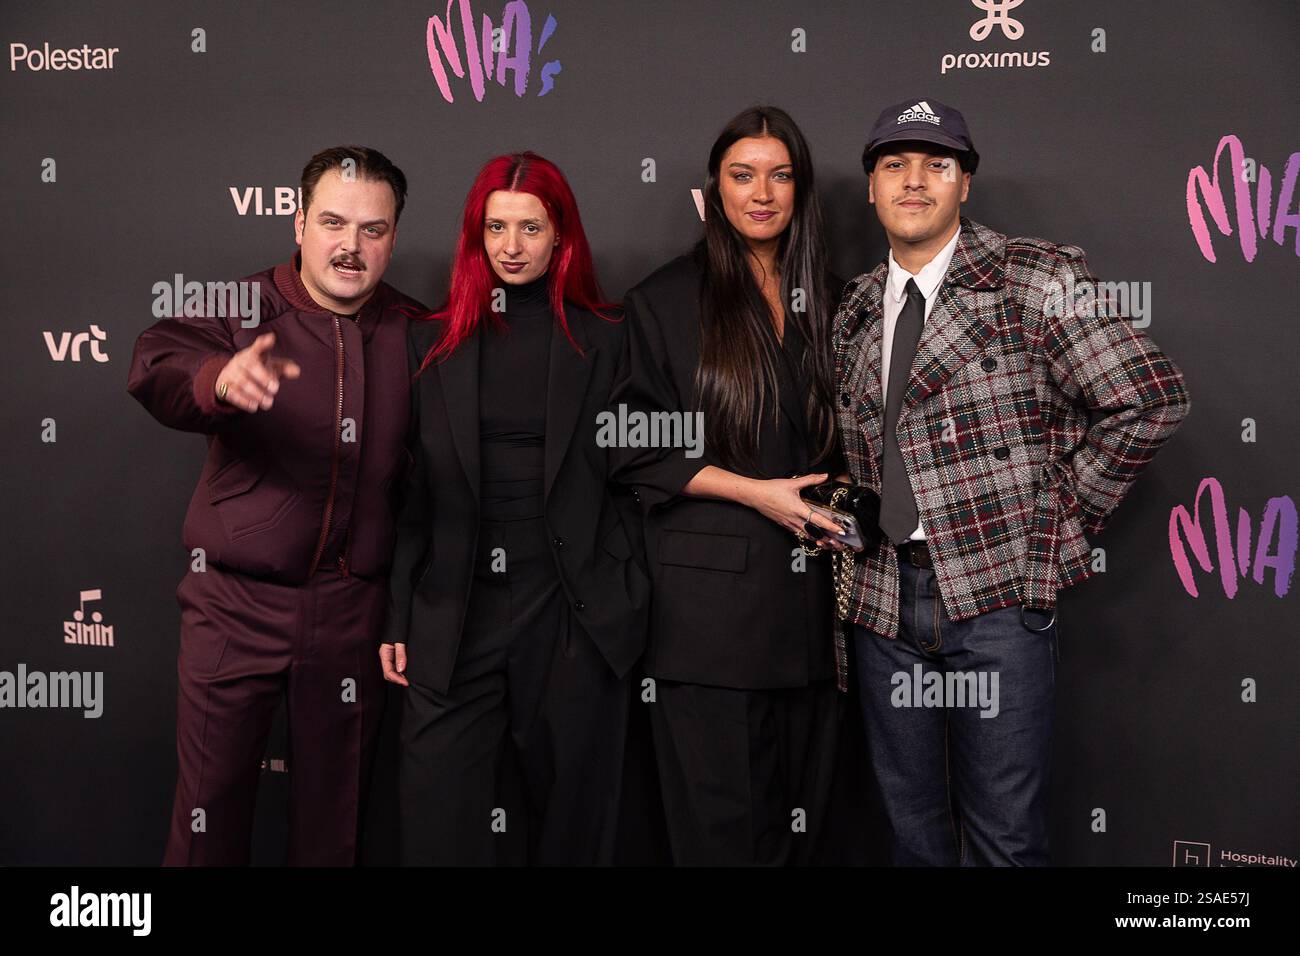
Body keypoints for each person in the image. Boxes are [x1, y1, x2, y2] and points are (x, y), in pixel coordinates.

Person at [837, 97, 1191, 865]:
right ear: (871, 188)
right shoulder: (858, 306)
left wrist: (1056, 521)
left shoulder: (1032, 276)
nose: (914, 181)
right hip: (882, 602)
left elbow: (1150, 398)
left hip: (996, 601)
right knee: (908, 831)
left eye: (938, 164)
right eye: (894, 165)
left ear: (965, 183)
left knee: (1005, 838)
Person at [126, 145, 423, 865]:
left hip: (354, 614)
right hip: (235, 605)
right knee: (208, 817)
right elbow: (155, 361)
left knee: (335, 827)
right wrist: (216, 381)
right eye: (333, 222)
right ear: (297, 223)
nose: (350, 246)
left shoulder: (420, 331)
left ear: (393, 239)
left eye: (372, 230)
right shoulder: (242, 306)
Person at [381, 151, 649, 865]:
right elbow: (410, 491)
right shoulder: (428, 343)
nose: (511, 247)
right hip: (454, 610)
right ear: (476, 234)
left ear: (561, 234)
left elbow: (642, 473)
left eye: (530, 228)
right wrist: (401, 614)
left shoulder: (610, 338)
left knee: (576, 827)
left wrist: (625, 590)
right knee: (440, 822)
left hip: (571, 609)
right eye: (496, 228)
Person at [613, 106, 846, 865]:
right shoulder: (666, 299)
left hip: (822, 620)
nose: (762, 193)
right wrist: (757, 492)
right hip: (710, 625)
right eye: (742, 175)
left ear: (801, 190)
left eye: (780, 176)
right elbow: (627, 441)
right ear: (713, 190)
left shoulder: (841, 299)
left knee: (806, 835)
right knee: (722, 839)